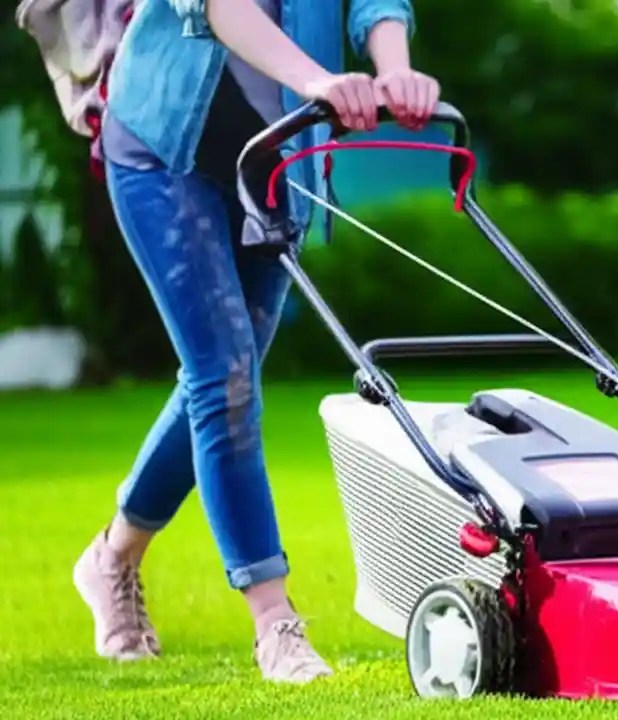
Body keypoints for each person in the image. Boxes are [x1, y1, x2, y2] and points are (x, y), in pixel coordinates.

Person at [70, 0, 440, 683]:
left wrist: (396, 71)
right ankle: (275, 624)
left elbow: (374, 2)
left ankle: (111, 559)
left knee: (221, 382)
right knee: (224, 378)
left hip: (276, 163)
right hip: (163, 150)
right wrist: (318, 83)